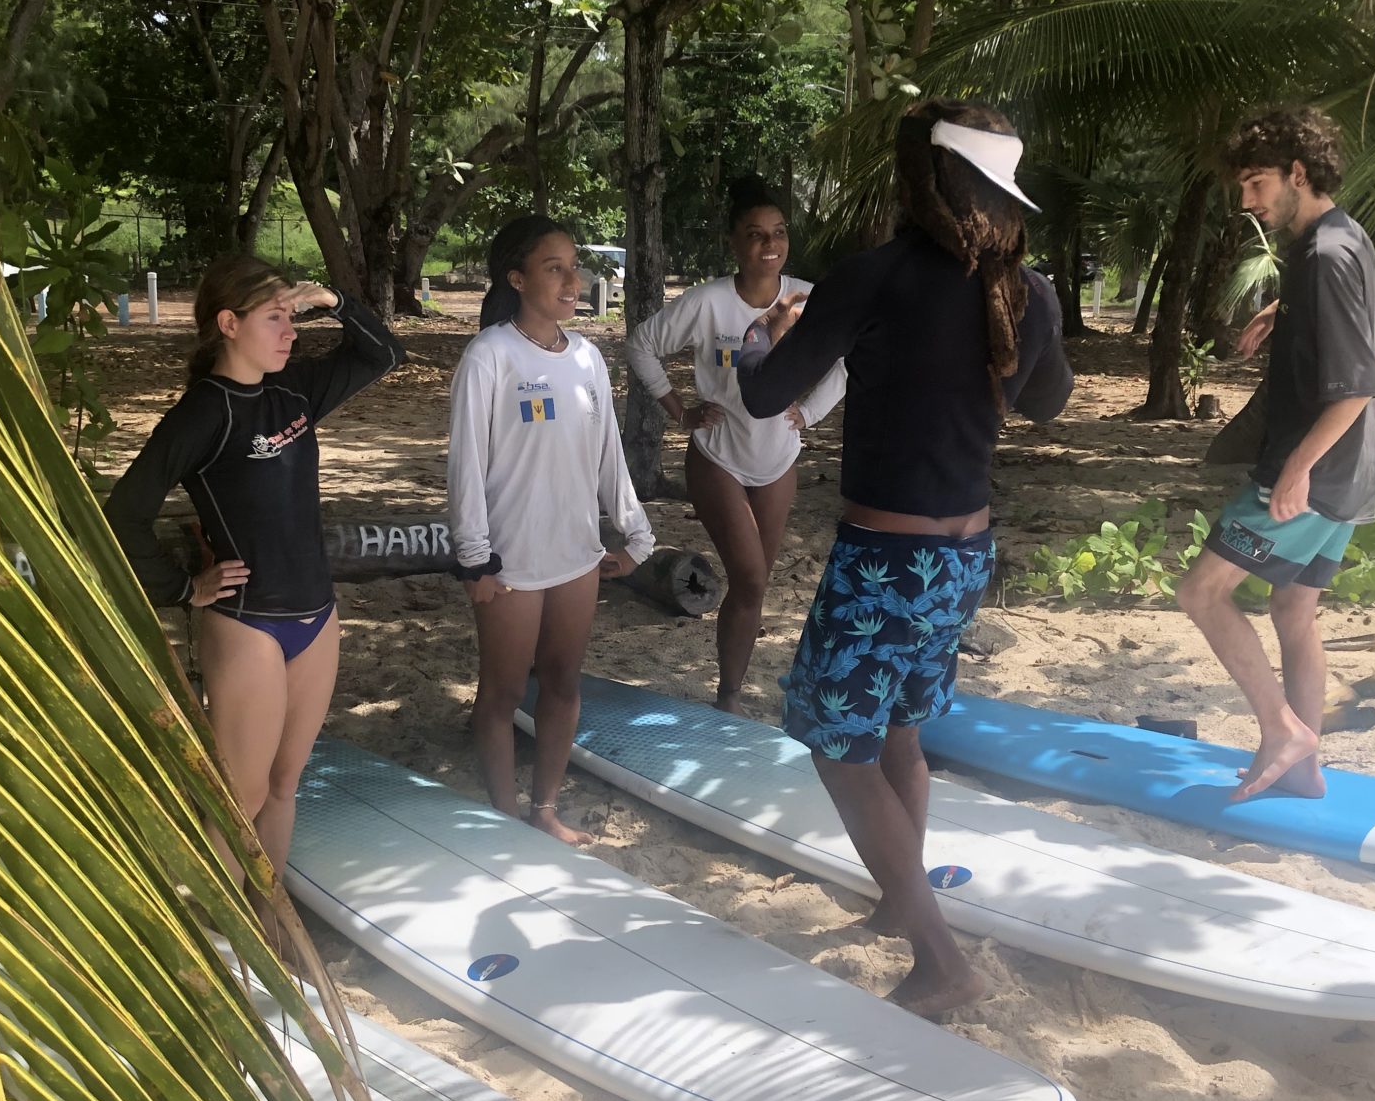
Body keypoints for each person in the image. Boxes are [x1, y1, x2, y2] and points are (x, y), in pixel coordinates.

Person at [736, 101, 1073, 1017]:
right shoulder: (1027, 292)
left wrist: (759, 335)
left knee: (832, 742)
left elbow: (767, 395)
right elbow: (1047, 404)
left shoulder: (875, 276)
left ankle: (940, 957)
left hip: (886, 557)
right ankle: (899, 901)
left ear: (920, 178)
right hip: (965, 559)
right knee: (900, 734)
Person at [105, 253, 404, 894]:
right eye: (275, 317)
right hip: (248, 624)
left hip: (316, 614)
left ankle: (266, 923)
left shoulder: (293, 391)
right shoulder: (203, 413)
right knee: (239, 795)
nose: (291, 330)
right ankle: (216, 944)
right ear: (229, 324)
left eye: (292, 317)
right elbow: (123, 513)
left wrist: (336, 303)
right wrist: (184, 589)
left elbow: (385, 355)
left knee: (284, 785)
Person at [1176, 106, 1375, 801]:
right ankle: (1304, 769)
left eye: (1258, 183)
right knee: (1293, 612)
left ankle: (1282, 730)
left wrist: (1295, 469)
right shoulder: (1342, 235)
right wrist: (1287, 311)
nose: (1247, 201)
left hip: (1314, 466)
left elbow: (1357, 385)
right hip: (1354, 474)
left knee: (1203, 592)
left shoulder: (1323, 255)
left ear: (1299, 172)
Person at [448, 214, 655, 843]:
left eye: (574, 266)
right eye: (554, 267)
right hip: (509, 565)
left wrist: (636, 536)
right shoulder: (489, 356)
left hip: (576, 556)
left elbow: (607, 457)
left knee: (563, 685)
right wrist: (475, 560)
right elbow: (466, 463)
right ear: (517, 278)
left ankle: (543, 810)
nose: (573, 280)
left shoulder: (589, 358)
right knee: (502, 694)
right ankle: (506, 819)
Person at [626, 175, 846, 713]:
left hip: (778, 460)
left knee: (755, 587)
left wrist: (810, 412)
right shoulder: (707, 303)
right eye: (754, 234)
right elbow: (641, 345)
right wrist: (679, 410)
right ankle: (728, 701)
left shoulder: (807, 301)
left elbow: (845, 361)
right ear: (732, 242)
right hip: (717, 456)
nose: (769, 245)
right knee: (748, 577)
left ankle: (729, 694)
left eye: (778, 232)